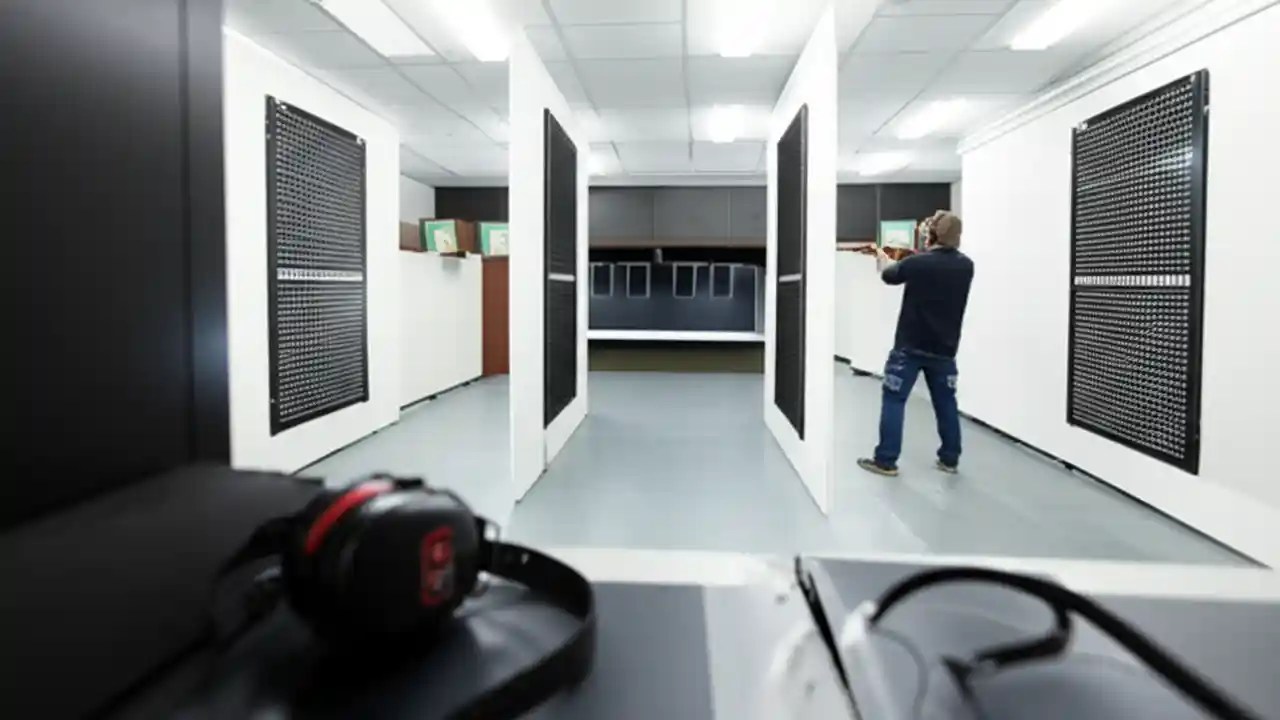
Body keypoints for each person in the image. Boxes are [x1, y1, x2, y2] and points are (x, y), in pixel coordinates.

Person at [858, 210, 974, 477]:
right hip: (944, 349)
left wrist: (889, 257)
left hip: (908, 348)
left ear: (933, 234)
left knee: (894, 400)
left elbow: (889, 276)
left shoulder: (918, 263)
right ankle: (949, 459)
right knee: (946, 403)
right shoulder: (966, 266)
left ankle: (886, 460)